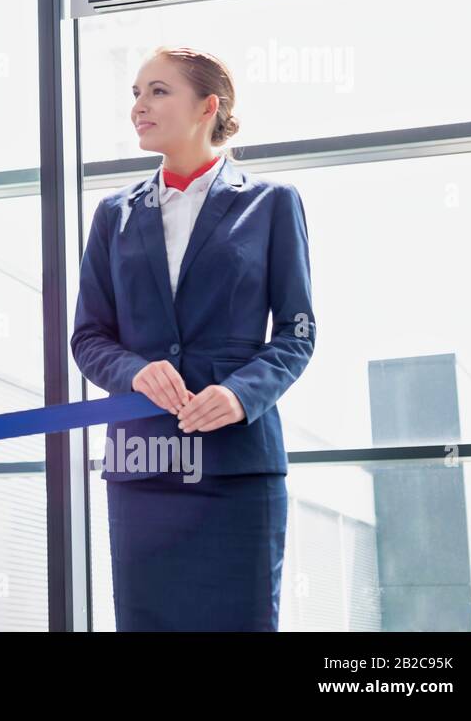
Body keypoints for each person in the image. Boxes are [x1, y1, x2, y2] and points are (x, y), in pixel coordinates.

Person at [71, 45, 316, 631]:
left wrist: (240, 395)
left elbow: (297, 332)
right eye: (135, 93)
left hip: (238, 466)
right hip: (144, 468)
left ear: (208, 106)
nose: (138, 106)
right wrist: (133, 372)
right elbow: (88, 336)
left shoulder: (271, 204)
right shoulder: (114, 214)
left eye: (157, 91)